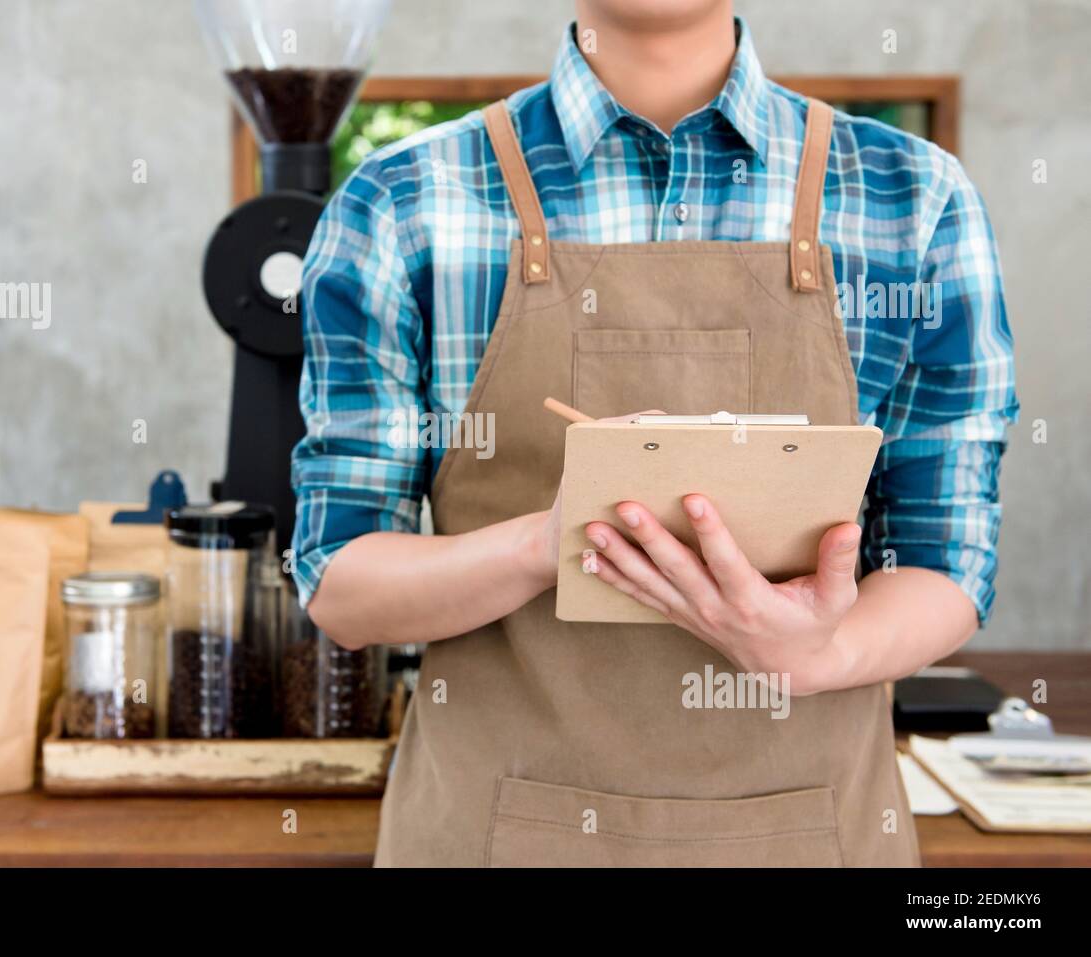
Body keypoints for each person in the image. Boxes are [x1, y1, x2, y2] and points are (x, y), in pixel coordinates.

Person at [291, 0, 1018, 866]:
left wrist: (819, 650)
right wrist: (544, 541)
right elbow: (339, 580)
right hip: (491, 838)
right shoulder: (403, 203)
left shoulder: (915, 201)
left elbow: (945, 562)